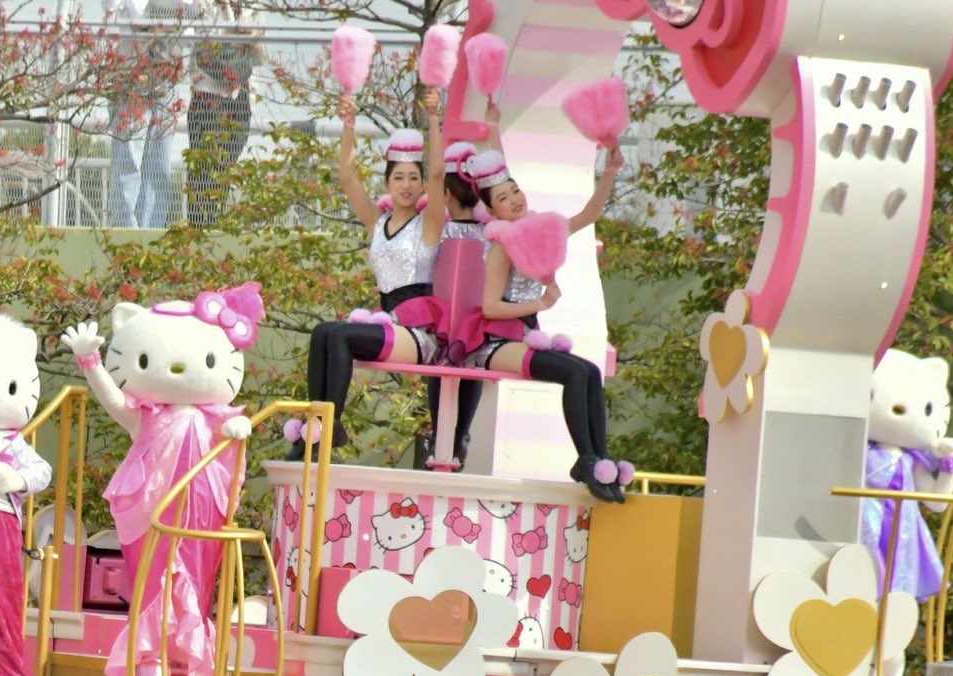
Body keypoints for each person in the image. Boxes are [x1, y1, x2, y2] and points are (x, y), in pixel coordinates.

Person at [299, 90, 484, 468]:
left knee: (341, 334)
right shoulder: (377, 222)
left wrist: (433, 118)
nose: (405, 184)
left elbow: (438, 173)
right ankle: (316, 432)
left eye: (412, 178)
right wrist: (348, 123)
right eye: (398, 177)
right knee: (322, 332)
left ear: (420, 186)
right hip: (385, 322)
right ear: (388, 183)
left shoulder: (429, 224)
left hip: (418, 333)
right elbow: (347, 175)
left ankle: (330, 429)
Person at [464, 141, 626, 500]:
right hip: (496, 342)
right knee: (573, 373)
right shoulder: (502, 246)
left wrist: (610, 170)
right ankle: (586, 459)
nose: (515, 199)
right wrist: (540, 301)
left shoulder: (541, 230)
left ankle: (600, 460)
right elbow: (489, 307)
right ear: (492, 210)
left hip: (526, 336)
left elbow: (588, 215)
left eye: (515, 190)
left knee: (591, 372)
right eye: (503, 198)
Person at [108, 0, 184, 230]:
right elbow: (111, 7)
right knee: (127, 163)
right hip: (130, 73)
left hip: (167, 76)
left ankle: (152, 237)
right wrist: (151, 24)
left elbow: (189, 15)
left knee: (159, 166)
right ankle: (125, 238)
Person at [185, 0, 261, 226]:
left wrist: (245, 43)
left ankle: (218, 226)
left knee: (226, 168)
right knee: (205, 171)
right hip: (208, 96)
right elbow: (207, 54)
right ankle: (200, 230)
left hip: (241, 99)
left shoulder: (251, 6)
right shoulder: (203, 4)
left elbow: (260, 55)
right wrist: (239, 49)